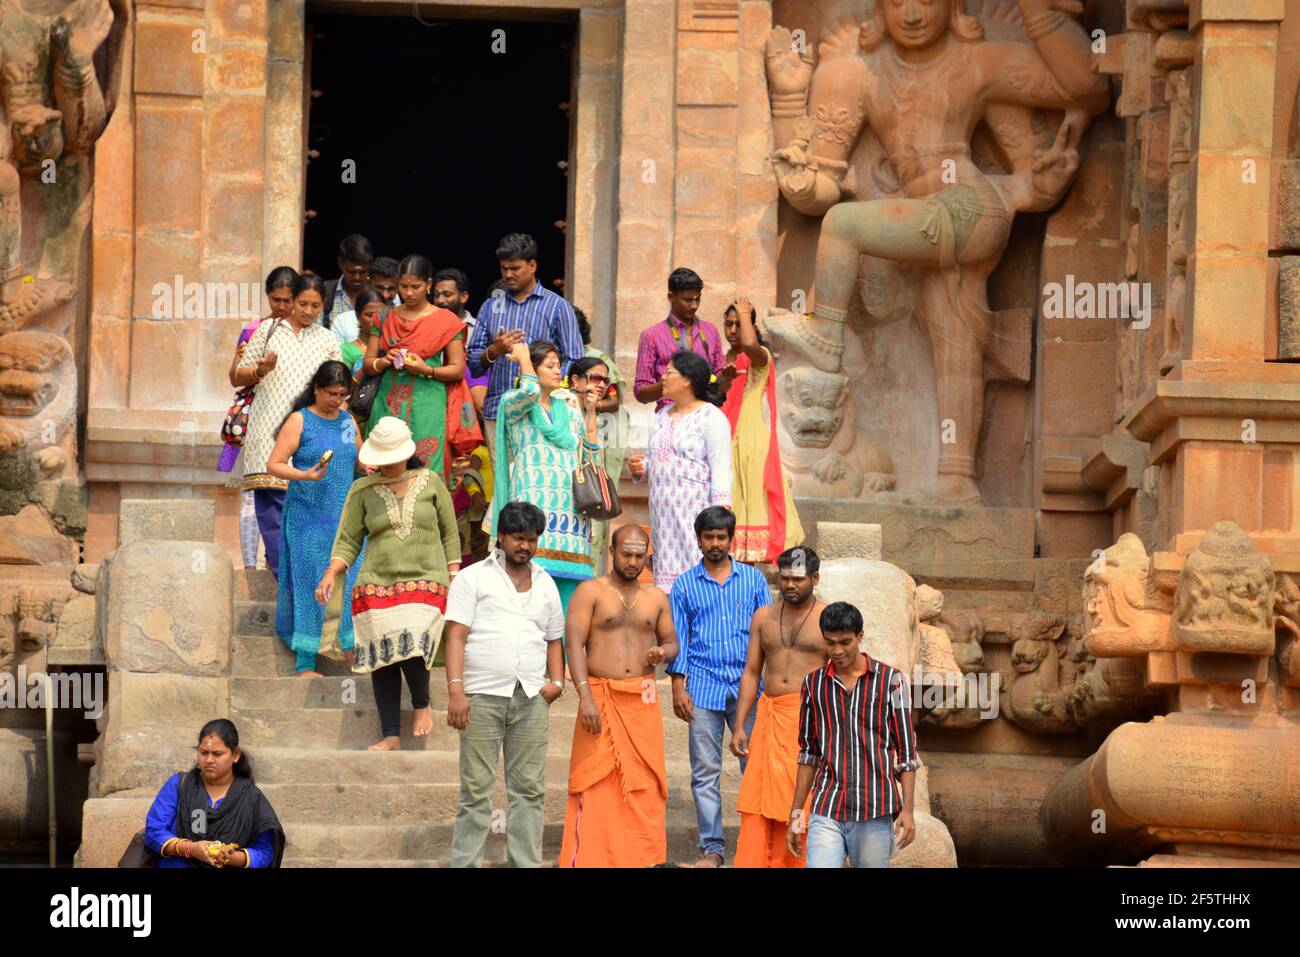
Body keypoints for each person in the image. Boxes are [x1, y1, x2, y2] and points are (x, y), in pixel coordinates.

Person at [316, 417, 462, 750]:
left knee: (412, 638)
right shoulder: (362, 491)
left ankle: (422, 704)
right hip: (376, 583)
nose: (388, 465)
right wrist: (331, 571)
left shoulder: (431, 481)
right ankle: (391, 734)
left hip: (426, 580)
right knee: (380, 654)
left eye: (393, 458)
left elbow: (449, 532)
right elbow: (349, 539)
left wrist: (454, 575)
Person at [444, 501, 567, 868]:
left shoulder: (545, 583)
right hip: (481, 698)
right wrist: (455, 690)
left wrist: (557, 682)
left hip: (530, 698)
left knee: (529, 792)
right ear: (501, 536)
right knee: (475, 793)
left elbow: (554, 639)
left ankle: (525, 863)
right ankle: (464, 863)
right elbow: (455, 637)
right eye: (518, 538)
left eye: (531, 539)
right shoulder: (473, 578)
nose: (525, 546)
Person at [559, 525, 678, 867]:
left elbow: (672, 642)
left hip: (641, 701)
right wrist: (585, 698)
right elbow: (575, 645)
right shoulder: (590, 591)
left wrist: (662, 653)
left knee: (646, 785)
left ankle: (641, 859)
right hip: (599, 695)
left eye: (640, 555)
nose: (633, 561)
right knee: (595, 783)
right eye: (626, 553)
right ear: (611, 551)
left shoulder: (656, 597)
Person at [664, 506, 772, 867]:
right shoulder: (684, 585)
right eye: (708, 537)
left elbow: (769, 633)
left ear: (731, 538)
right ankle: (713, 850)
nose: (715, 543)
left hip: (749, 687)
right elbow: (679, 638)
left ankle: (757, 846)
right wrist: (678, 687)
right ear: (698, 540)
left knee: (754, 767)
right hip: (704, 687)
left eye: (721, 537)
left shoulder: (754, 581)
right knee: (705, 773)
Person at [787, 602, 919, 868]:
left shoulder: (892, 681)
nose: (837, 650)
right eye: (830, 642)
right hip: (827, 805)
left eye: (845, 642)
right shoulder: (813, 684)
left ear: (860, 636)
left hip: (874, 809)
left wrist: (908, 810)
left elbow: (906, 752)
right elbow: (808, 753)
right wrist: (797, 812)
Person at [234, 273, 342, 579]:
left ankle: (296, 570)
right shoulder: (267, 331)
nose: (308, 311)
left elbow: (338, 389)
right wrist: (259, 369)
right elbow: (237, 376)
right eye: (303, 303)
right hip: (267, 430)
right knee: (270, 504)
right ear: (292, 300)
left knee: (304, 504)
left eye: (316, 306)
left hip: (311, 433)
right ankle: (284, 571)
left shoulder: (327, 340)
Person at [730, 546, 827, 867]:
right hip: (769, 718)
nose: (789, 585)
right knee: (758, 800)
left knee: (800, 798)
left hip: (809, 721)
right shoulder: (763, 617)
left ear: (814, 578)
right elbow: (752, 672)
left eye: (797, 579)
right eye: (784, 578)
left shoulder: (828, 619)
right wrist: (741, 725)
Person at [267, 361, 363, 677]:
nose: (338, 400)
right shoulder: (300, 420)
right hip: (307, 514)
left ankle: (347, 649)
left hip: (342, 515)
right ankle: (306, 660)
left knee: (352, 578)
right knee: (310, 582)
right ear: (317, 389)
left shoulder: (348, 420)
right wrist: (304, 475)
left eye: (343, 394)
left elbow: (360, 459)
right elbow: (275, 464)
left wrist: (373, 465)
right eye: (332, 393)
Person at [492, 339, 600, 614]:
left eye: (558, 366)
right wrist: (524, 359)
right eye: (550, 366)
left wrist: (590, 412)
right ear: (533, 368)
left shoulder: (569, 407)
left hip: (570, 519)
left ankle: (561, 657)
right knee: (529, 600)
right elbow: (529, 391)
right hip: (532, 514)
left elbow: (587, 457)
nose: (558, 371)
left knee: (566, 606)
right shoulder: (515, 404)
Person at [360, 254, 480, 485]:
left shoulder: (446, 320)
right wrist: (383, 362)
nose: (409, 293)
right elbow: (368, 363)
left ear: (428, 284)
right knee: (384, 467)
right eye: (403, 286)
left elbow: (457, 369)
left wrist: (426, 369)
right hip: (388, 402)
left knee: (427, 471)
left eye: (415, 286)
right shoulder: (384, 317)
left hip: (428, 404)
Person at [466, 233, 584, 461]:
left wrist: (551, 392)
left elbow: (574, 359)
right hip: (499, 410)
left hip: (543, 411)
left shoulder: (557, 307)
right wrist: (493, 351)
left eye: (515, 268)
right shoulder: (491, 306)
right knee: (505, 485)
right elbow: (473, 364)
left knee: (537, 482)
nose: (508, 275)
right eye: (503, 268)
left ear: (532, 266)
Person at [626, 351, 732, 594]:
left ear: (687, 380)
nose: (663, 378)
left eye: (669, 373)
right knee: (666, 586)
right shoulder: (662, 416)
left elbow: (721, 467)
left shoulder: (711, 417)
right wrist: (641, 467)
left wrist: (720, 515)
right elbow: (656, 460)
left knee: (698, 577)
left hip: (696, 511)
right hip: (664, 516)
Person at [219, 265, 298, 570]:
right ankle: (250, 566)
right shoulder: (253, 329)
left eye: (287, 300)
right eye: (275, 299)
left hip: (288, 420)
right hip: (253, 419)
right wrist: (251, 365)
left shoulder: (303, 333)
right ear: (268, 297)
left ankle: (275, 559)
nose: (281, 306)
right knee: (252, 492)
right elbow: (233, 377)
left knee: (285, 491)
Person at [721, 296, 804, 563]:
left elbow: (748, 342)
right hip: (724, 438)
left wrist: (746, 311)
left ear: (750, 325)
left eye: (739, 324)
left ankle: (749, 573)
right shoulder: (721, 359)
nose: (733, 331)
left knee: (750, 502)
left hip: (750, 440)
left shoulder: (760, 356)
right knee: (730, 504)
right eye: (728, 324)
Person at [144, 719, 285, 868]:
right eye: (204, 752)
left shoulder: (251, 797)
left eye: (217, 754)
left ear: (235, 754)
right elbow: (154, 831)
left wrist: (227, 856)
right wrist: (190, 849)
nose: (209, 760)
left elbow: (265, 852)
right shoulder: (180, 785)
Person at [634, 267, 724, 411]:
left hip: (706, 414)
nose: (694, 306)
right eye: (688, 300)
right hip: (670, 416)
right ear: (671, 297)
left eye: (698, 299)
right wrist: (670, 382)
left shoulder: (710, 331)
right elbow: (640, 393)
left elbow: (720, 379)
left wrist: (727, 379)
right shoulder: (651, 336)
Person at [568, 355, 627, 571]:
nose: (601, 384)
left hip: (583, 500)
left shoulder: (593, 413)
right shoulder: (565, 404)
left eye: (605, 381)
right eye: (595, 378)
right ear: (575, 381)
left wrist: (592, 410)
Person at [434, 267, 488, 414]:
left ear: (463, 297)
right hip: (435, 399)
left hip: (469, 405)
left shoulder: (478, 329)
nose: (440, 300)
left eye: (447, 295)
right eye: (436, 295)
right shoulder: (427, 328)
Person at [324, 233, 373, 326]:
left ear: (370, 264)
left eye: (363, 272)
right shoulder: (326, 292)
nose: (357, 277)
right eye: (351, 272)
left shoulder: (383, 293)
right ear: (340, 263)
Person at [338, 288, 383, 377]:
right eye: (369, 315)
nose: (376, 320)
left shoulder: (391, 347)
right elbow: (343, 385)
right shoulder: (346, 351)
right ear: (358, 316)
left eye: (380, 314)